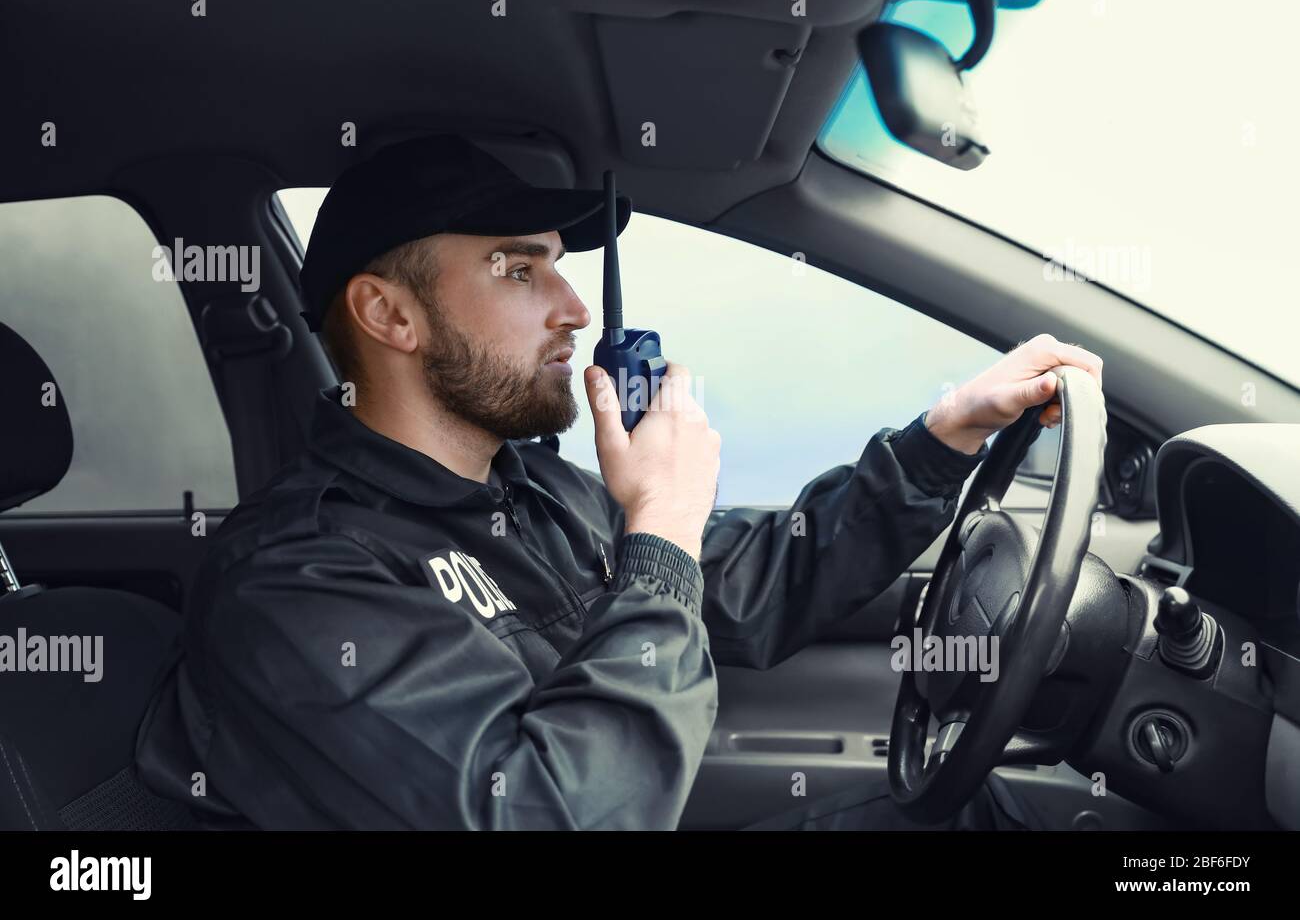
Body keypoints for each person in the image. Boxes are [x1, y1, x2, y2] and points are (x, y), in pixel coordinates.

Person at [134, 134, 1102, 830]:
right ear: (390, 313)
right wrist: (660, 536)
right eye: (519, 270)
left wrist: (941, 439)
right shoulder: (293, 582)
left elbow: (764, 580)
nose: (573, 306)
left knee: (992, 808)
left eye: (559, 266)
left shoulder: (536, 491)